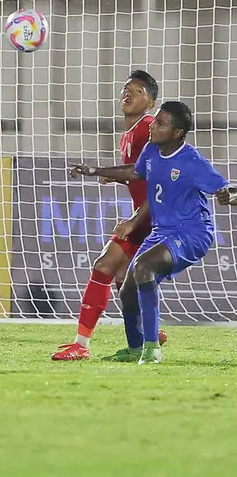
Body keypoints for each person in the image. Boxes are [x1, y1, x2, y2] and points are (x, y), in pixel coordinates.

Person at [72, 101, 232, 364]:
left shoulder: (192, 161)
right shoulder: (151, 150)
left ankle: (152, 349)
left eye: (160, 123)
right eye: (155, 120)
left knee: (144, 267)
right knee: (127, 288)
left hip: (192, 233)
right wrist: (95, 171)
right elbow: (135, 171)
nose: (152, 126)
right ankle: (135, 348)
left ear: (177, 133)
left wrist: (229, 195)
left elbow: (224, 189)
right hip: (161, 232)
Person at [53, 70, 167, 361]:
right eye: (127, 88)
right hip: (147, 215)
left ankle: (82, 345)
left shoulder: (148, 128)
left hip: (155, 217)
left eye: (138, 91)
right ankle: (148, 331)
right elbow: (139, 174)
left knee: (105, 265)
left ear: (151, 103)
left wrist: (134, 220)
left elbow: (160, 179)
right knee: (119, 274)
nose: (129, 93)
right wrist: (116, 177)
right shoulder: (129, 134)